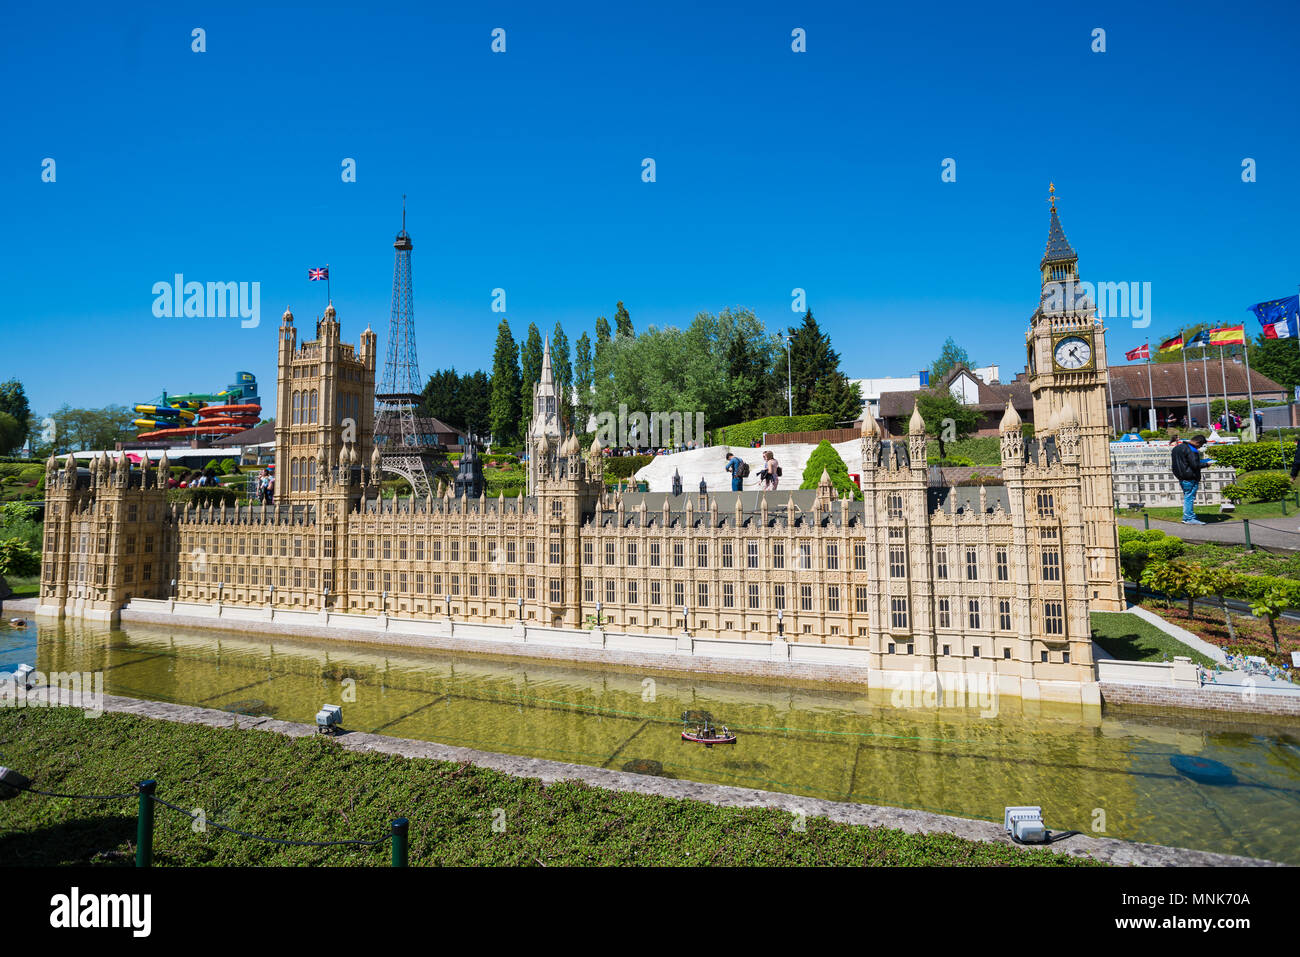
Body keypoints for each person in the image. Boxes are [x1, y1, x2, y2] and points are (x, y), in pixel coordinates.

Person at [1171, 434, 1208, 525]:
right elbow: (1195, 465)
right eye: (1201, 445)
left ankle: (1188, 517)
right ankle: (1188, 518)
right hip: (1190, 476)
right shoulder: (1192, 450)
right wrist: (1207, 464)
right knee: (1189, 498)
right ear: (1197, 442)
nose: (1200, 448)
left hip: (1181, 476)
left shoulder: (1177, 448)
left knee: (1188, 496)